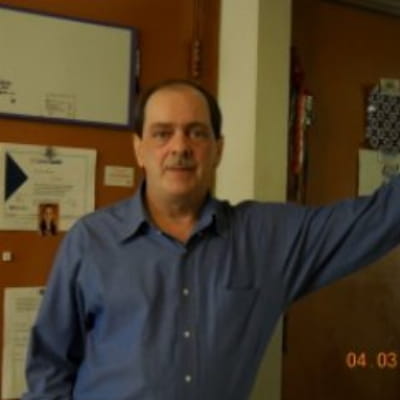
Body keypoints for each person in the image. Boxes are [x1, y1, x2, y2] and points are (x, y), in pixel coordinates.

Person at [23, 79, 400, 400]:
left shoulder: (268, 239)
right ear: (138, 149)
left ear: (218, 149)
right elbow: (49, 368)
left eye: (196, 132)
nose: (180, 147)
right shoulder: (90, 241)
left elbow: (380, 218)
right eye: (162, 133)